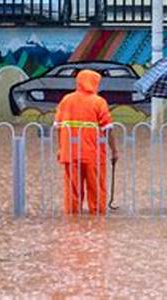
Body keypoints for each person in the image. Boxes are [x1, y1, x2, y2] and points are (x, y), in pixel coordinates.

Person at [55, 69, 119, 215]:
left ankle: (72, 219)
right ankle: (97, 221)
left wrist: (60, 148)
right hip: (93, 154)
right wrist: (114, 150)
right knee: (96, 188)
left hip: (70, 153)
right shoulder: (98, 102)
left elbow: (58, 126)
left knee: (72, 189)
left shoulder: (66, 100)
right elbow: (108, 129)